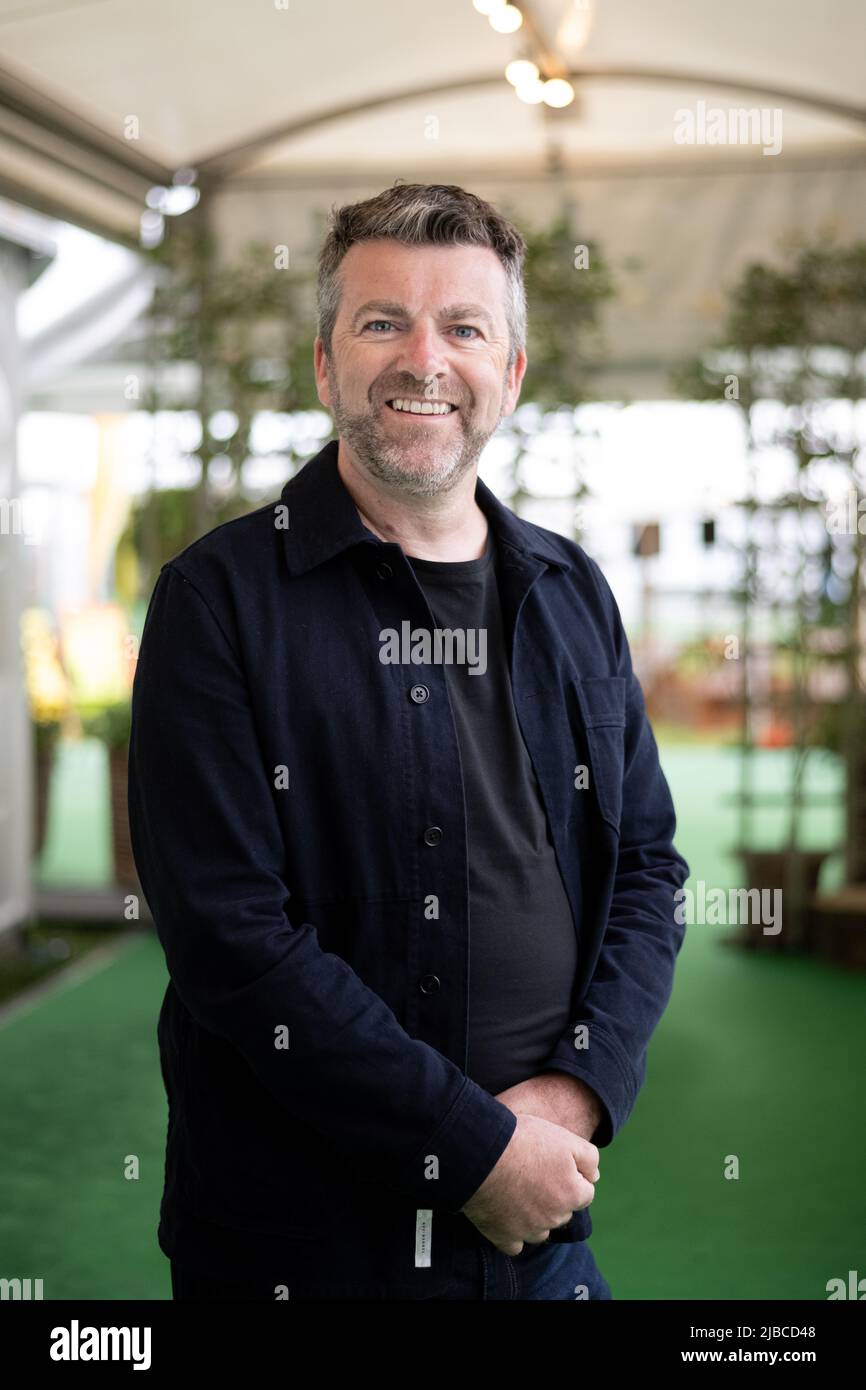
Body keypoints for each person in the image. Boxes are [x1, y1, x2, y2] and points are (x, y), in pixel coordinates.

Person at [128, 181, 690, 1301]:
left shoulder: (570, 589)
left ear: (509, 375)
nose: (422, 358)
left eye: (464, 327)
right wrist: (469, 1145)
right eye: (382, 322)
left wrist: (575, 1094)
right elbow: (232, 938)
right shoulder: (219, 600)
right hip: (300, 1248)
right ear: (327, 365)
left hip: (536, 1239)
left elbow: (645, 869)